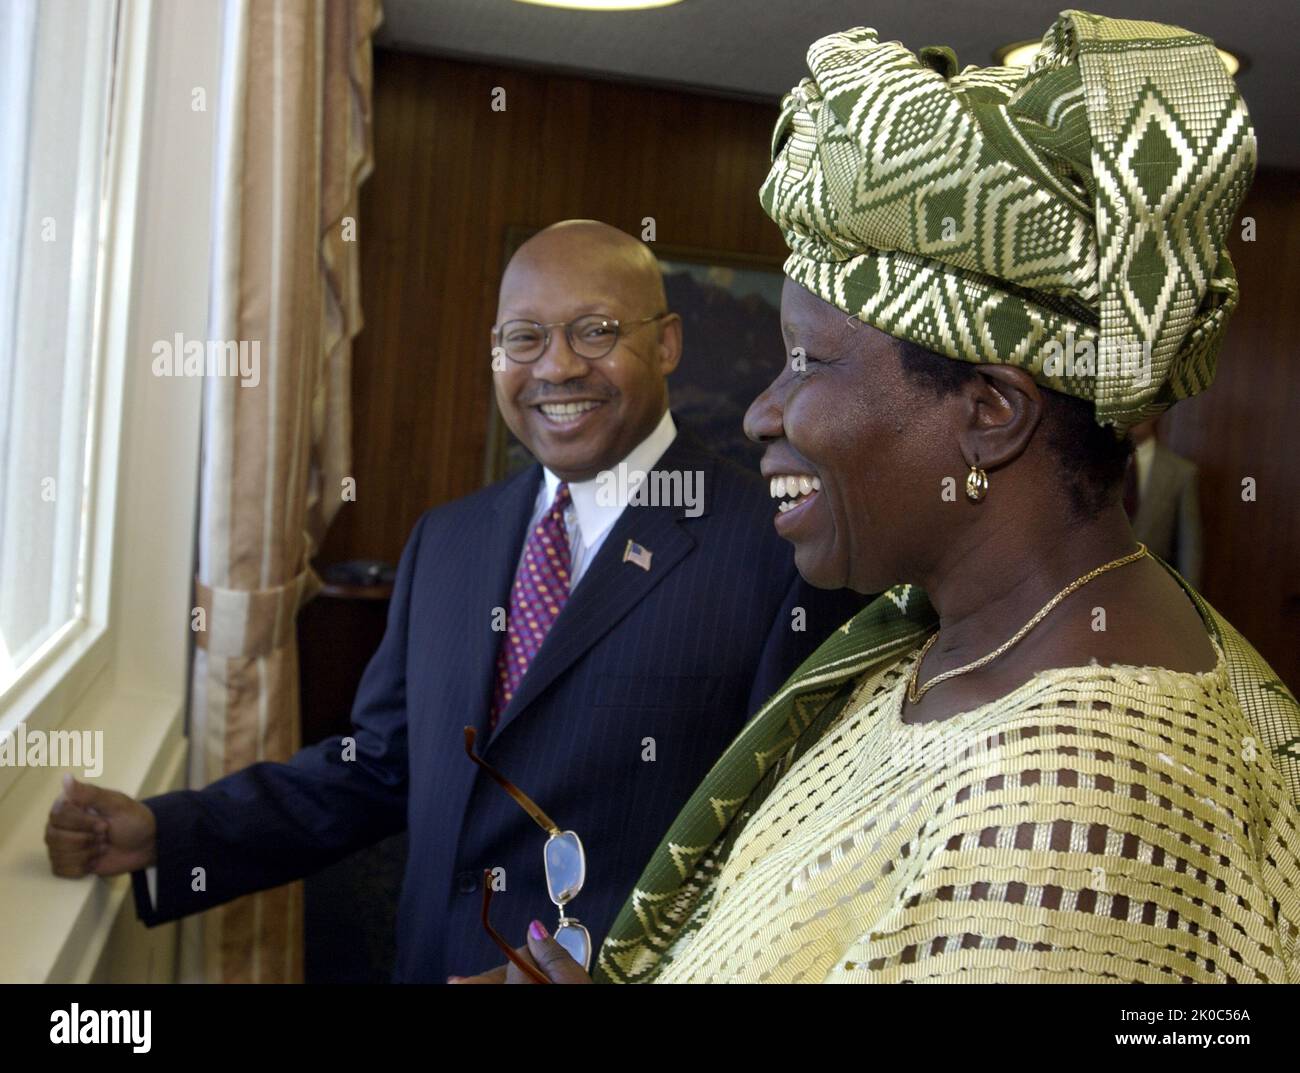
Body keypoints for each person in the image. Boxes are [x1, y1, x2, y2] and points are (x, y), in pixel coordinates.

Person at [457, 13, 1300, 985]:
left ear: (989, 412)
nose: (762, 412)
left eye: (807, 362)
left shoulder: (1078, 829)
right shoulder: (949, 636)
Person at [44, 220, 865, 983]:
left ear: (669, 342)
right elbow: (379, 767)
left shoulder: (776, 551)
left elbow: (792, 847)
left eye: (596, 330)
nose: (556, 367)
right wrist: (167, 831)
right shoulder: (448, 540)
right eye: (524, 337)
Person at [1124, 418, 1203, 586]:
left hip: (1156, 590)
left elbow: (1189, 546)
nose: (1138, 414)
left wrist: (1190, 602)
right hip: (1100, 588)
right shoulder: (1096, 466)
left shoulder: (1182, 472)